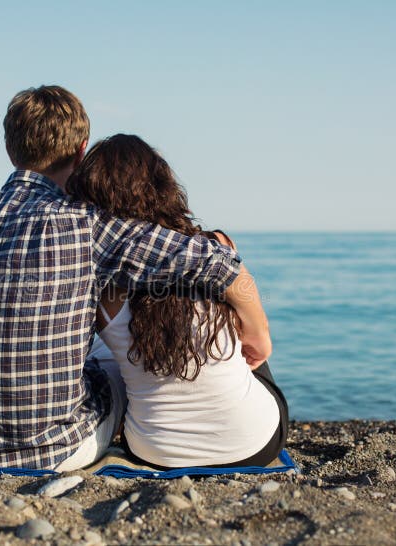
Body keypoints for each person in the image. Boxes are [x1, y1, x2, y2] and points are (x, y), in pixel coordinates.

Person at [0, 85, 254, 470]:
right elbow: (219, 263)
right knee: (112, 362)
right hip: (52, 451)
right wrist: (258, 333)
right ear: (81, 151)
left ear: (11, 149)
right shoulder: (85, 224)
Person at [66, 134, 289, 468]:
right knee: (250, 349)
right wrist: (258, 333)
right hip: (253, 445)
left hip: (155, 452)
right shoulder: (216, 246)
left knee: (114, 358)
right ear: (161, 185)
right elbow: (248, 318)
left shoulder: (100, 282)